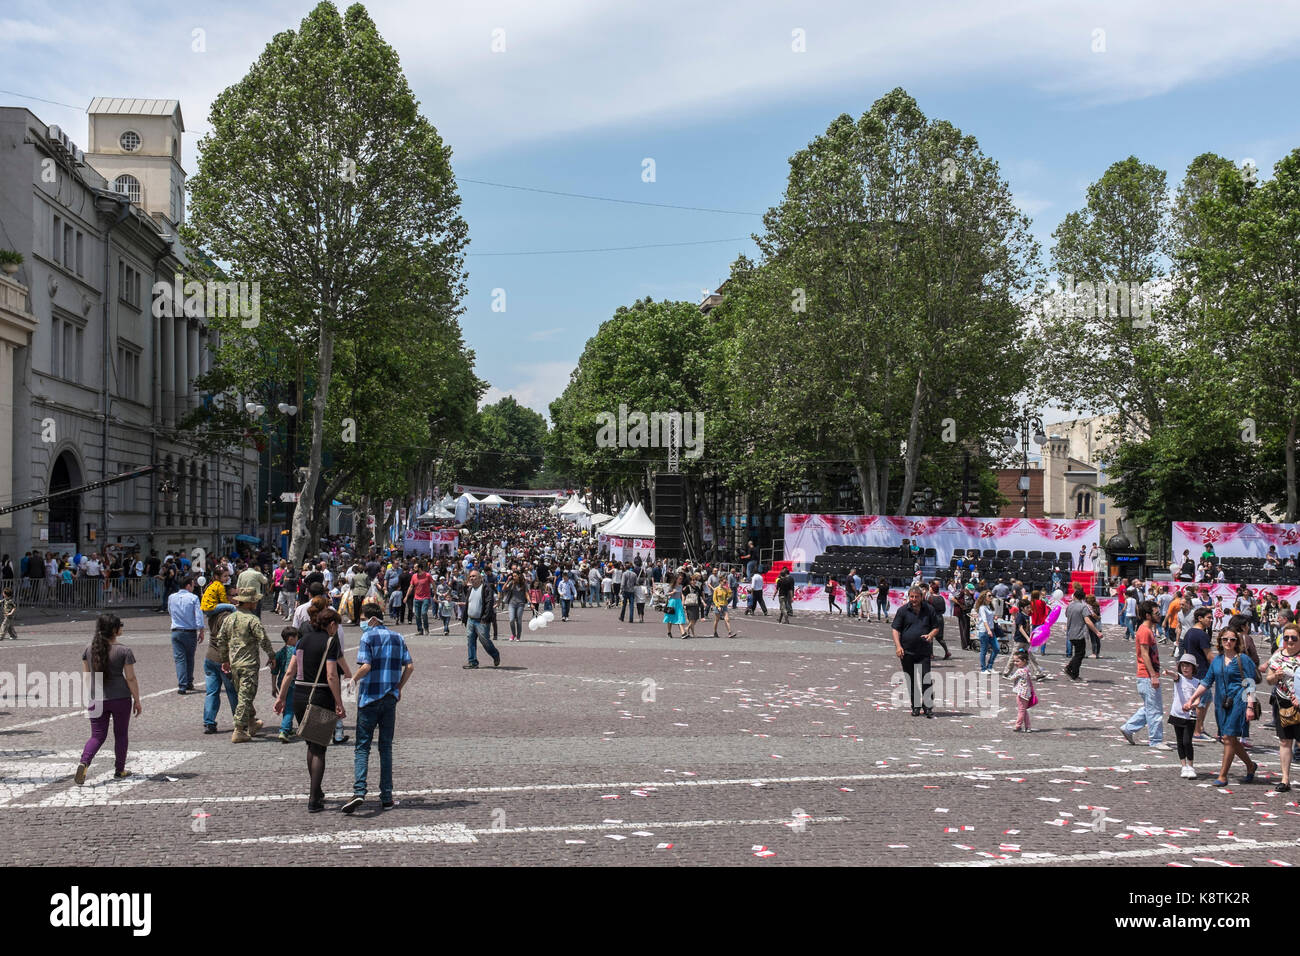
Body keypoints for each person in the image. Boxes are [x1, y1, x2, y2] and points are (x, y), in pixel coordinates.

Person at [341, 602, 414, 813]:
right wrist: (398, 687)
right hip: (390, 697)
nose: (361, 622)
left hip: (369, 698)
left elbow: (366, 665)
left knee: (363, 746)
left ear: (372, 619)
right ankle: (387, 796)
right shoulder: (398, 637)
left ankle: (359, 791)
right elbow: (409, 666)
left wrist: (352, 681)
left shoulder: (368, 637)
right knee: (386, 746)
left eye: (362, 619)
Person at [273, 604, 346, 813]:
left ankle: (317, 789)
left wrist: (281, 697)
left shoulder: (302, 640)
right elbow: (332, 675)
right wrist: (339, 702)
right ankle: (314, 798)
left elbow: (289, 672)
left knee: (311, 746)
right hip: (321, 695)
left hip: (300, 696)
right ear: (331, 625)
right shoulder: (330, 642)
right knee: (320, 749)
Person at [1185, 626, 1259, 787]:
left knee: (1229, 737)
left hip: (1239, 701)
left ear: (1236, 642)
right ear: (1220, 641)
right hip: (1221, 703)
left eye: (1232, 639)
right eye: (1225, 639)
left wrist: (1250, 706)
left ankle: (1223, 775)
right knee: (1228, 738)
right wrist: (1192, 698)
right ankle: (1250, 765)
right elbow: (1206, 682)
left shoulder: (1242, 659)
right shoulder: (1217, 660)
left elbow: (1250, 683)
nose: (1228, 642)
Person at [74, 613, 142, 783]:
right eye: (120, 625)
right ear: (114, 630)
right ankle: (120, 770)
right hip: (120, 697)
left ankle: (84, 762)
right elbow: (131, 678)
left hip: (96, 698)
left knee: (97, 735)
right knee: (121, 735)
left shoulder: (88, 649)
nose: (122, 628)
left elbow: (86, 677)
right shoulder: (124, 651)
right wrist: (137, 700)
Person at [212, 587, 275, 743]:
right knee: (246, 696)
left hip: (234, 663)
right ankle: (239, 729)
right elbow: (263, 639)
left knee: (244, 694)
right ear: (249, 602)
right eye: (255, 600)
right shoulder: (252, 619)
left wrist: (225, 659)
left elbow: (220, 640)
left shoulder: (229, 618)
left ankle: (251, 722)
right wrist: (272, 655)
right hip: (249, 664)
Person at [1119, 600, 1164, 749]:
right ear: (1147, 615)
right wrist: (1153, 675)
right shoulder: (1144, 631)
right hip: (1146, 675)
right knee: (1155, 709)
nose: (1160, 615)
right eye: (1156, 613)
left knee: (1149, 707)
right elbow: (1144, 655)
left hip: (1146, 675)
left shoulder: (1148, 630)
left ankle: (1129, 728)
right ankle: (1156, 740)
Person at [892, 586, 940, 718]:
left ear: (921, 597)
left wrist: (931, 635)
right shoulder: (902, 610)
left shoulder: (929, 609)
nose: (914, 599)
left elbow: (936, 627)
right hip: (906, 651)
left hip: (923, 651)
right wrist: (898, 646)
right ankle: (916, 706)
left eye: (916, 597)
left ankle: (928, 706)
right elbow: (896, 630)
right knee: (911, 680)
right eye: (911, 597)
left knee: (926, 678)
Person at [1262, 622, 1300, 793]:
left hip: (1299, 703)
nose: (1290, 641)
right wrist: (1275, 676)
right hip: (1282, 703)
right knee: (1285, 741)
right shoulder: (1277, 657)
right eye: (1286, 638)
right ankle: (1285, 779)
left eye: (1293, 637)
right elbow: (1268, 680)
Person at [1181, 607, 1217, 741]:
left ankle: (1199, 728)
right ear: (1200, 618)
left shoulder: (1189, 632)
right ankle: (1197, 731)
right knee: (1201, 703)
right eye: (1208, 617)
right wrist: (1221, 667)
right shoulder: (1202, 634)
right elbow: (1209, 655)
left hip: (1193, 670)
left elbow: (1185, 652)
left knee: (1205, 701)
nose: (1211, 620)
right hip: (1203, 672)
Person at [167, 574, 205, 695]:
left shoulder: (171, 597)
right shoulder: (193, 598)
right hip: (189, 631)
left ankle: (182, 685)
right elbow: (198, 615)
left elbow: (170, 611)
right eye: (193, 585)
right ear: (188, 585)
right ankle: (189, 682)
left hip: (176, 630)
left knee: (179, 659)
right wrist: (201, 630)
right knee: (189, 658)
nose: (194, 587)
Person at [1166, 652, 1202, 779]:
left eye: (1188, 666)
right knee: (1179, 741)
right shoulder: (1179, 678)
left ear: (1193, 668)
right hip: (1177, 714)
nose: (1185, 668)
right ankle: (1183, 766)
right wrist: (1168, 672)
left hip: (1190, 716)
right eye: (1183, 666)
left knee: (1187, 741)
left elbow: (1198, 700)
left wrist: (1191, 705)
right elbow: (1174, 676)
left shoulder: (1197, 682)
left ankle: (1191, 766)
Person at [462, 570, 501, 669]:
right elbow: (467, 604)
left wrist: (485, 617)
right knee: (470, 640)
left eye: (474, 576)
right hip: (471, 619)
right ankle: (472, 661)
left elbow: (489, 604)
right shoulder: (470, 589)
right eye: (470, 576)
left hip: (481, 620)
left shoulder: (486, 588)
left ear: (480, 578)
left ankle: (495, 654)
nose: (472, 578)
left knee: (484, 641)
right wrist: (464, 617)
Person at [1062, 586, 1097, 681]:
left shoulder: (1069, 606)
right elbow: (1088, 621)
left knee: (1078, 653)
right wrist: (1097, 632)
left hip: (1070, 632)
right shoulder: (1083, 607)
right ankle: (1072, 671)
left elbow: (1066, 615)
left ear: (1074, 596)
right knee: (1080, 653)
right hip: (1079, 633)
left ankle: (1072, 671)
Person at [272, 626, 300, 743]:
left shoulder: (279, 653)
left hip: (281, 681)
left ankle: (288, 728)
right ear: (291, 639)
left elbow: (274, 671)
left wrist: (273, 686)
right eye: (297, 638)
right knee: (290, 707)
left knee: (285, 703)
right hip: (292, 683)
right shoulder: (296, 652)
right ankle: (284, 730)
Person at [924, 582, 951, 661]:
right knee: (940, 638)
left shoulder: (930, 598)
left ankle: (931, 654)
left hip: (932, 618)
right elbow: (944, 610)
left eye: (930, 588)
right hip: (940, 618)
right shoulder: (941, 598)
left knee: (930, 636)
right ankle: (946, 651)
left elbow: (927, 609)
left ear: (932, 589)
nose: (929, 589)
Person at [1010, 650, 1035, 733]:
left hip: (1021, 693)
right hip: (1027, 692)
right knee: (1024, 709)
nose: (1015, 663)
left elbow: (1012, 678)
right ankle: (1028, 727)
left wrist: (1009, 675)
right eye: (1014, 661)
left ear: (1024, 661)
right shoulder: (1027, 669)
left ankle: (1018, 726)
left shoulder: (1020, 671)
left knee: (1021, 710)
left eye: (1017, 661)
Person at [974, 591, 998, 673]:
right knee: (984, 650)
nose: (991, 597)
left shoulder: (989, 606)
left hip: (991, 629)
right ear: (985, 597)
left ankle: (990, 666)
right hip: (984, 631)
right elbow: (984, 620)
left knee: (996, 648)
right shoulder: (982, 607)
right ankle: (983, 669)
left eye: (992, 595)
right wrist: (988, 630)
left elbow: (989, 617)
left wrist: (994, 617)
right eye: (989, 595)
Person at [406, 563, 433, 636]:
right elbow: (411, 587)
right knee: (417, 615)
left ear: (420, 568)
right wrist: (406, 596)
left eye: (415, 567)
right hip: (416, 598)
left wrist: (435, 595)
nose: (413, 569)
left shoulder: (427, 575)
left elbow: (433, 584)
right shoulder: (414, 576)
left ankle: (426, 629)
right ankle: (420, 630)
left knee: (424, 613)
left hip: (425, 598)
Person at [664, 572, 687, 638]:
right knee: (670, 618)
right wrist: (672, 592)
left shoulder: (680, 586)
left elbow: (681, 594)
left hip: (678, 602)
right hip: (672, 602)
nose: (681, 580)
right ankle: (669, 632)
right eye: (679, 578)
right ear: (676, 579)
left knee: (680, 616)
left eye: (681, 579)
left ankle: (683, 633)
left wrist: (683, 602)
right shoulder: (671, 586)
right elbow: (666, 594)